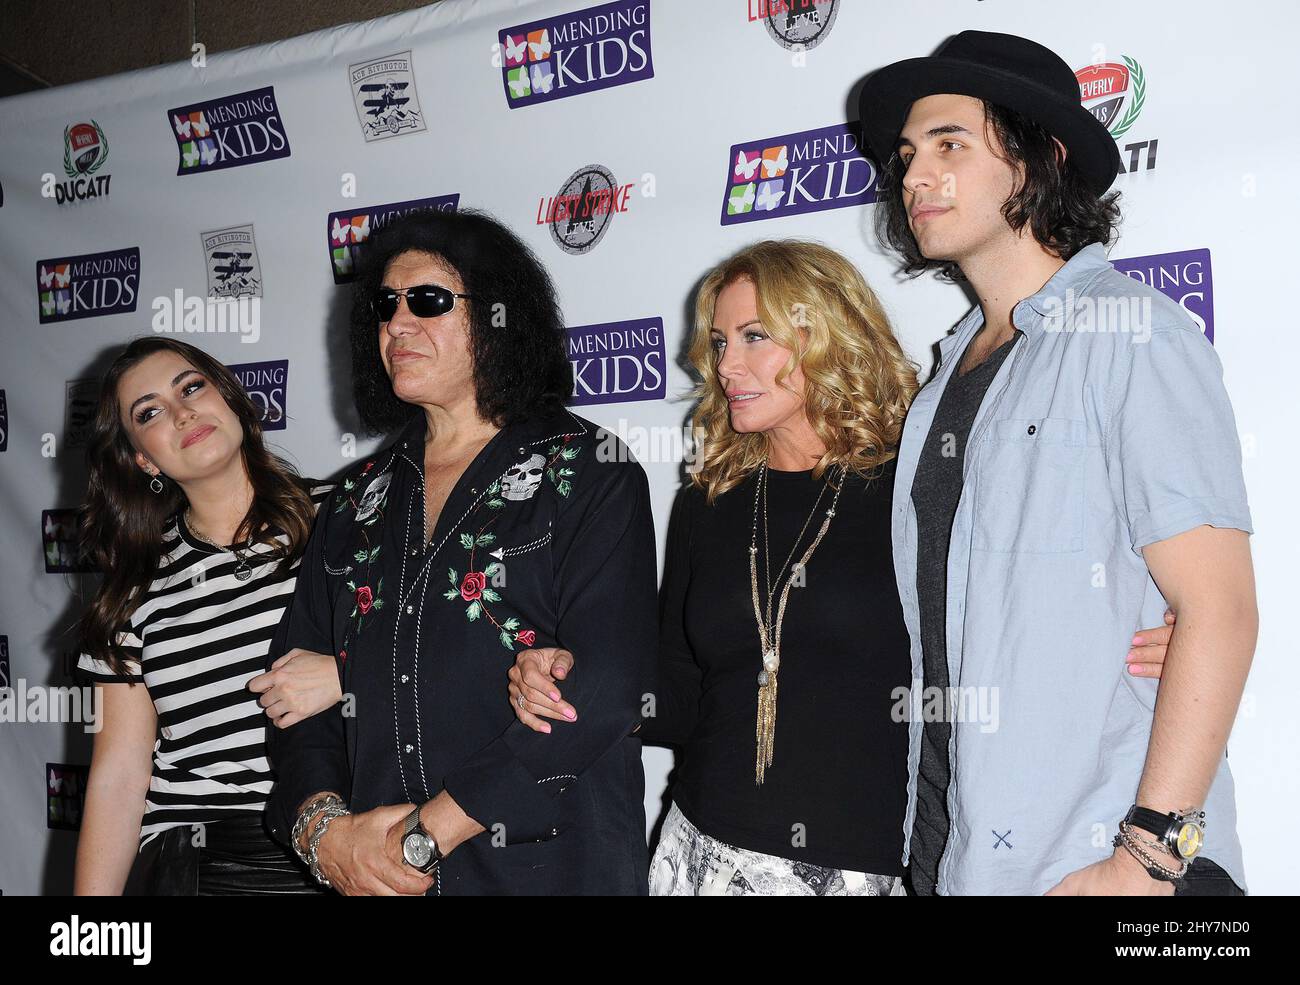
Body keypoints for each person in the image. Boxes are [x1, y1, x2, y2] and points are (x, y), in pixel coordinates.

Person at [506, 239, 1178, 896]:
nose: (727, 365)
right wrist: (579, 679)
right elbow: (678, 699)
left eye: (754, 336)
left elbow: (1011, 616)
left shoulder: (916, 484)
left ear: (825, 337)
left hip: (854, 865)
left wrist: (1140, 623)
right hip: (698, 850)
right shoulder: (708, 498)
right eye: (718, 342)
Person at [858, 30, 1257, 895]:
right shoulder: (940, 385)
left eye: (950, 145)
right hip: (952, 850)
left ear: (1042, 159)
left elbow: (1219, 612)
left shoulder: (1132, 334)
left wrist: (1147, 860)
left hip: (1103, 859)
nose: (915, 176)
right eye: (907, 155)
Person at [263, 209, 657, 895]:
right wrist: (325, 836)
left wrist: (425, 835)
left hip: (545, 873)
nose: (398, 324)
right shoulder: (356, 497)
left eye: (430, 301)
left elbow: (605, 686)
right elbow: (298, 698)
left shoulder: (588, 468)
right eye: (385, 305)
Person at [74, 336, 342, 895]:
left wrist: (346, 673)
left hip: (346, 844)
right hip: (198, 868)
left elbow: (430, 658)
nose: (182, 412)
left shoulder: (346, 521)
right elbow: (119, 777)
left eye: (191, 387)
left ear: (230, 398)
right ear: (143, 457)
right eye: (149, 412)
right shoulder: (133, 586)